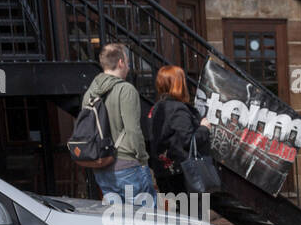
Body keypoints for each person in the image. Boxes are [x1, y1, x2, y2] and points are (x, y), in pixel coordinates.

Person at [82, 43, 156, 202]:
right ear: (121, 62)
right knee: (145, 222)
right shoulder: (126, 90)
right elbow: (133, 130)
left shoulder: (89, 93)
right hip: (127, 164)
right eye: (128, 62)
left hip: (101, 165)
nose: (129, 67)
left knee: (117, 222)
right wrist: (143, 160)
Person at [147, 65, 212, 200]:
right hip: (183, 175)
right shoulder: (177, 109)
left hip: (164, 172)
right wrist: (204, 128)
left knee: (176, 217)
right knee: (193, 217)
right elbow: (187, 140)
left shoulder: (156, 108)